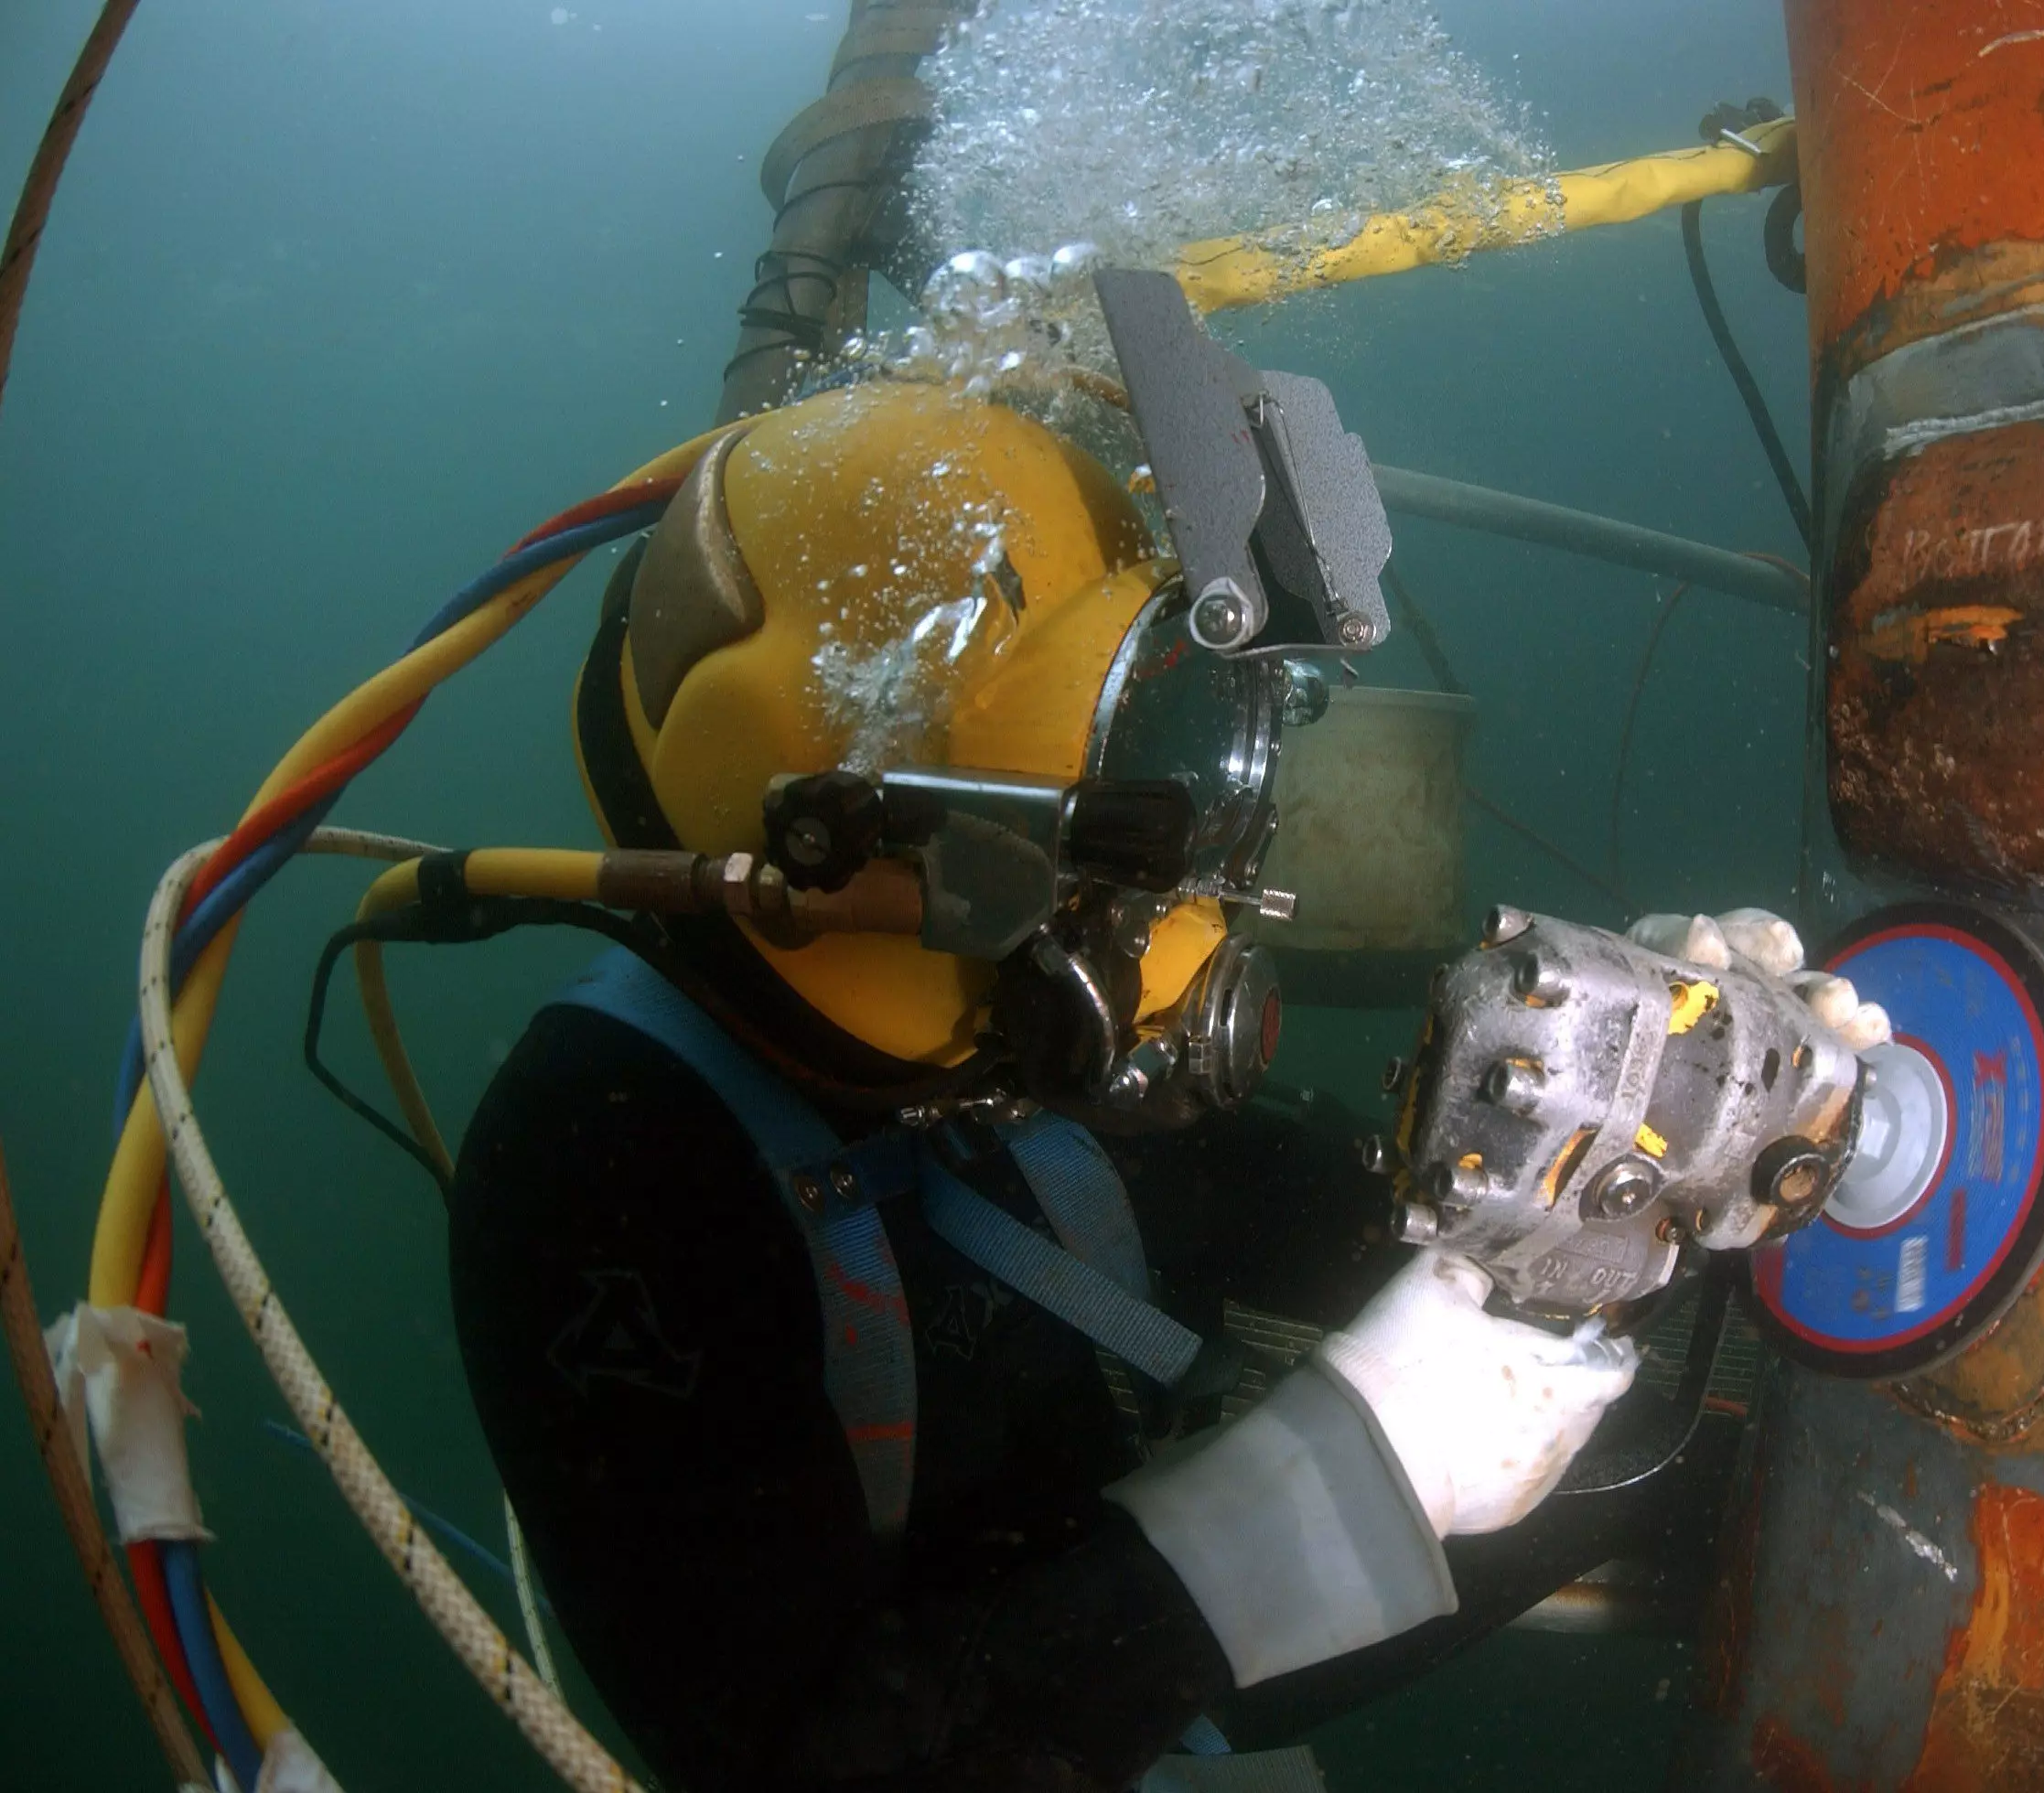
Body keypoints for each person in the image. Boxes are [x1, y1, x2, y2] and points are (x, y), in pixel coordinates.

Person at [445, 371, 1866, 1790]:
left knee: (1745, 1437)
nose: (1196, 895)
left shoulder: (1005, 1006)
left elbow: (1326, 1230)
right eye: (1129, 808)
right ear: (862, 857)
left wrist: (1633, 1129)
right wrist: (1312, 1494)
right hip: (1028, 1712)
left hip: (1141, 1613)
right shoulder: (598, 1175)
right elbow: (804, 1761)